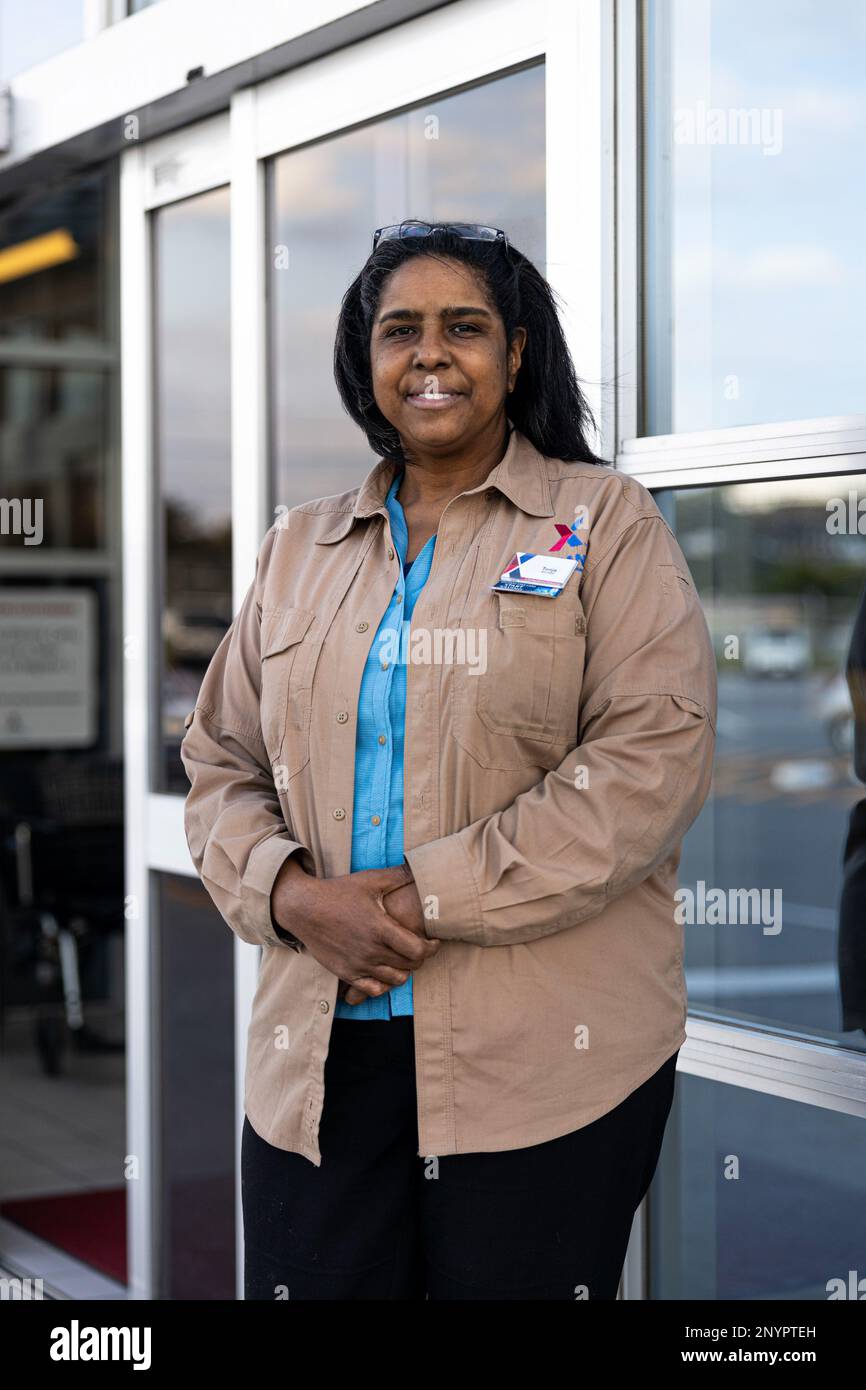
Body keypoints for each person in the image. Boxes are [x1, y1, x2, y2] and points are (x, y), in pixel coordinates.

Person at [180, 220, 718, 1300]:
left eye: (462, 327)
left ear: (514, 354)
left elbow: (648, 761)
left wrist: (426, 893)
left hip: (538, 1068)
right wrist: (291, 895)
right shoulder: (298, 544)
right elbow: (218, 760)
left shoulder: (601, 522)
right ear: (366, 359)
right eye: (399, 330)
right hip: (317, 1063)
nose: (429, 354)